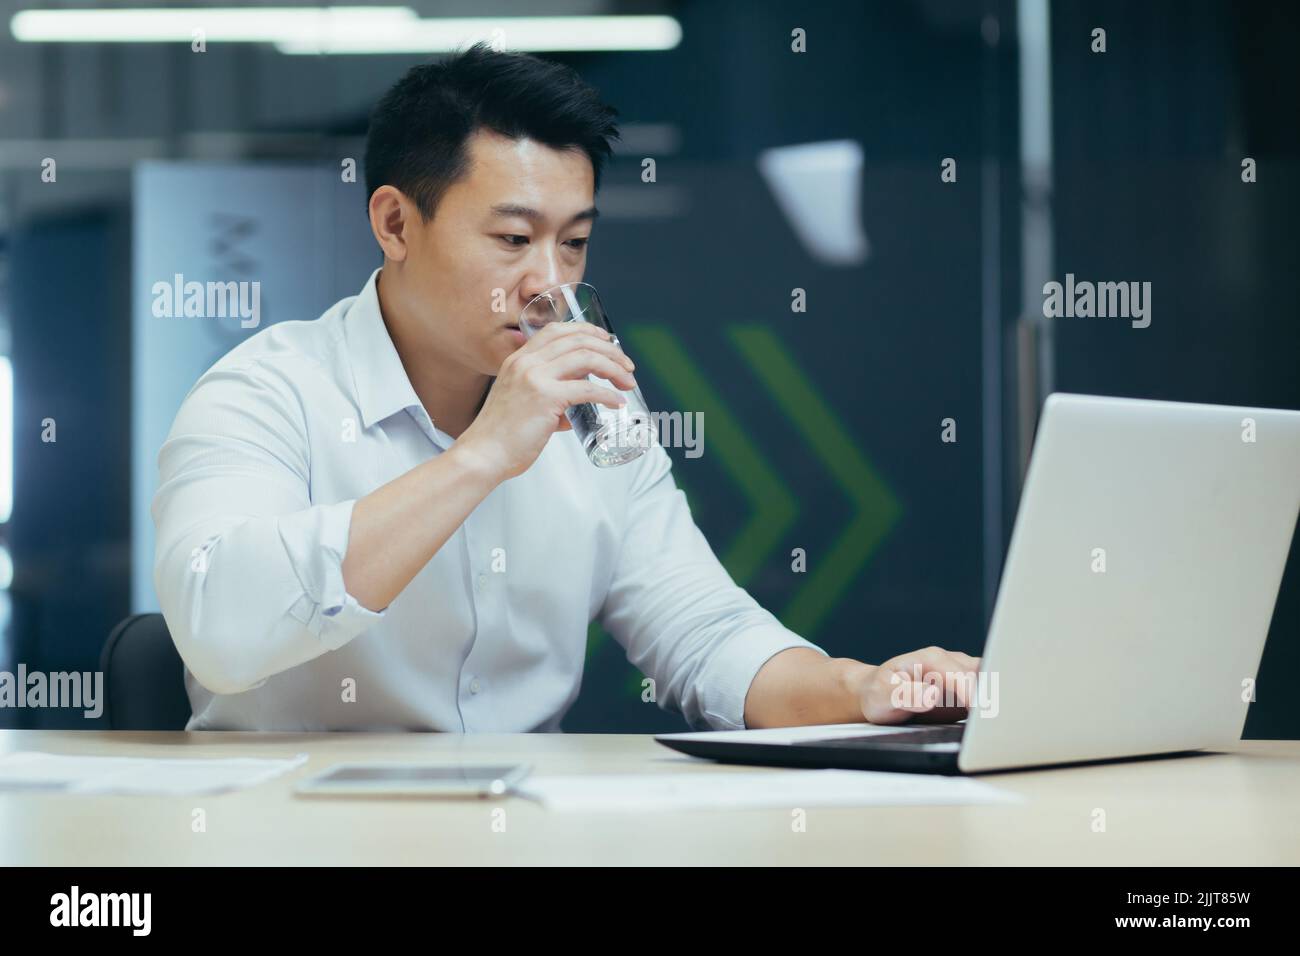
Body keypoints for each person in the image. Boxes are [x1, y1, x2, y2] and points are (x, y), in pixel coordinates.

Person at [152, 43, 980, 732]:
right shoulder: (264, 393)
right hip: (289, 841)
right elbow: (220, 630)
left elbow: (704, 633)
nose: (548, 282)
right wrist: (481, 457)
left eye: (574, 243)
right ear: (396, 223)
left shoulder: (597, 407)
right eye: (513, 238)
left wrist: (860, 690)